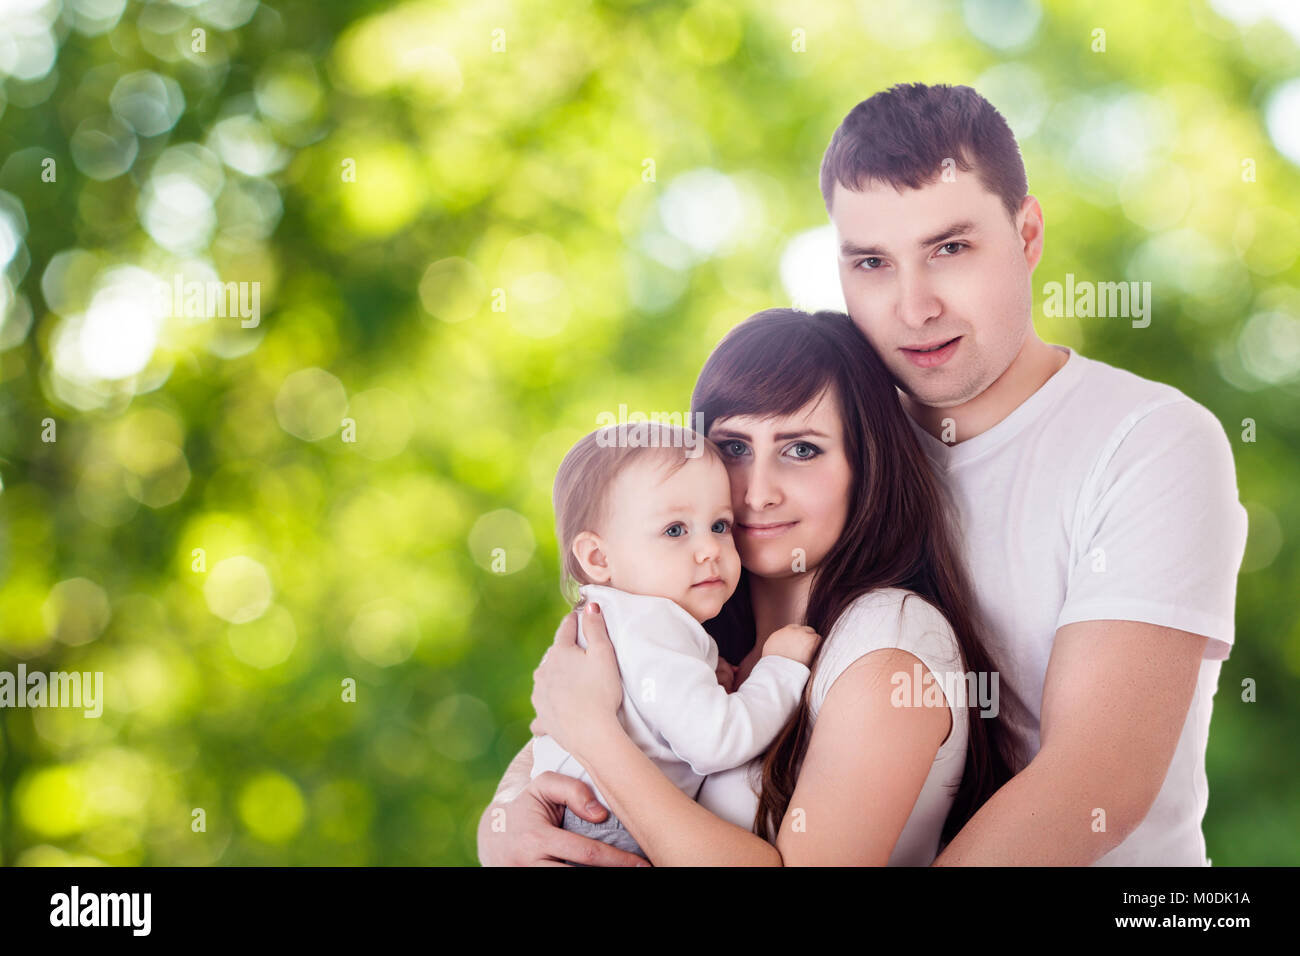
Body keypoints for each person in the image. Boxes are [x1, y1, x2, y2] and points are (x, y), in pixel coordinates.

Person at [481, 81, 1248, 866]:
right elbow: (627, 672)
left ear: (1027, 234)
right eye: (872, 262)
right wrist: (514, 810)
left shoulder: (1147, 442)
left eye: (950, 249)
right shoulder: (826, 430)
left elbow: (1097, 778)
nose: (914, 306)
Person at [486, 308, 1021, 865]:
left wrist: (594, 736)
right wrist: (501, 823)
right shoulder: (692, 618)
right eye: (735, 448)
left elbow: (581, 721)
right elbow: (553, 737)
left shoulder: (887, 646)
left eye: (801, 449)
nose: (756, 493)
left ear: (866, 467)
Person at [530, 422, 817, 863]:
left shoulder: (620, 619)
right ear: (598, 558)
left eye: (720, 525)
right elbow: (716, 741)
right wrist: (780, 668)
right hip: (609, 826)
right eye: (675, 531)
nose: (710, 549)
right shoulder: (652, 624)